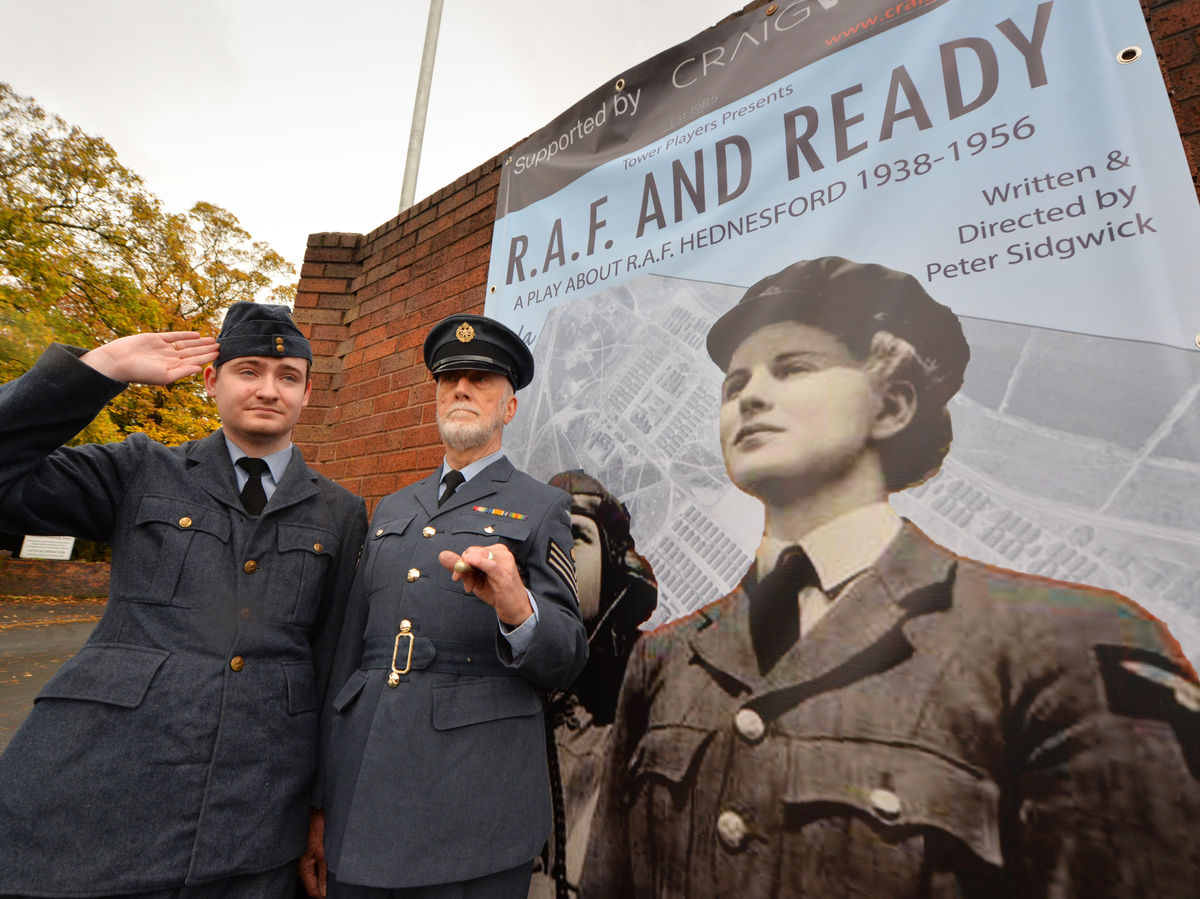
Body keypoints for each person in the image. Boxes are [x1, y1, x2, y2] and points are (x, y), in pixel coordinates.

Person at [581, 257, 1200, 898]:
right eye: (735, 383)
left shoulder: (1064, 647)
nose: (750, 396)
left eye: (794, 368)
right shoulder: (663, 661)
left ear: (895, 404)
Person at [0, 303, 368, 898]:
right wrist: (101, 369)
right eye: (248, 371)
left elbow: (331, 661)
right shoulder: (141, 468)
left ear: (306, 393)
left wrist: (320, 806)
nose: (269, 390)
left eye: (288, 377)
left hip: (252, 820)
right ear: (210, 380)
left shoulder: (340, 511)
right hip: (99, 801)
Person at [307, 314, 588, 899]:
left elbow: (566, 659)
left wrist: (519, 609)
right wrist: (319, 797)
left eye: (481, 379)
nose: (461, 388)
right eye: (449, 378)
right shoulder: (391, 508)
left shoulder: (540, 507)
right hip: (367, 784)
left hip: (472, 799)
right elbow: (347, 656)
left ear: (508, 408)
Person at [528, 470, 657, 899]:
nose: (558, 557)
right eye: (546, 541)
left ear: (616, 564)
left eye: (577, 537)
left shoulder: (646, 699)